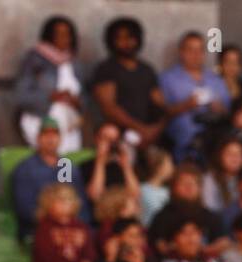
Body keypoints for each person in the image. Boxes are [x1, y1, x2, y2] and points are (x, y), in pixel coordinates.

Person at [90, 17, 165, 147]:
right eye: (120, 38)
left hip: (150, 137)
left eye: (130, 37)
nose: (126, 43)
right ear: (112, 41)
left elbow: (160, 105)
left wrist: (155, 130)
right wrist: (140, 129)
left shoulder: (147, 70)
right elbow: (108, 108)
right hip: (117, 138)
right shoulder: (106, 69)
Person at [14, 16, 85, 153]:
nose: (64, 38)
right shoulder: (34, 59)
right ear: (49, 36)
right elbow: (21, 96)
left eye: (67, 34)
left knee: (67, 165)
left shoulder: (74, 62)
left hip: (69, 123)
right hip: (41, 119)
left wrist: (76, 101)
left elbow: (84, 96)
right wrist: (52, 96)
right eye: (58, 34)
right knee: (47, 161)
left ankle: (64, 175)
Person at [12, 118, 89, 239]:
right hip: (40, 228)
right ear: (38, 138)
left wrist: (76, 224)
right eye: (46, 134)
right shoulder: (26, 169)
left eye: (54, 134)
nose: (50, 139)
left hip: (71, 226)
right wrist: (56, 219)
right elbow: (25, 209)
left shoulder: (66, 166)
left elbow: (79, 201)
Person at [161, 32, 231, 162]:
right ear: (181, 52)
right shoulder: (168, 79)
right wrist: (186, 105)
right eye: (191, 50)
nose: (196, 55)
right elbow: (161, 113)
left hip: (214, 137)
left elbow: (229, 112)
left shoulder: (215, 79)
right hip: (184, 142)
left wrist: (219, 108)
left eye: (200, 50)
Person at [31, 183, 95, 262]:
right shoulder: (44, 228)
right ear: (48, 204)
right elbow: (47, 258)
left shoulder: (81, 227)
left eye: (68, 199)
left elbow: (89, 253)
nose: (65, 203)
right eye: (60, 200)